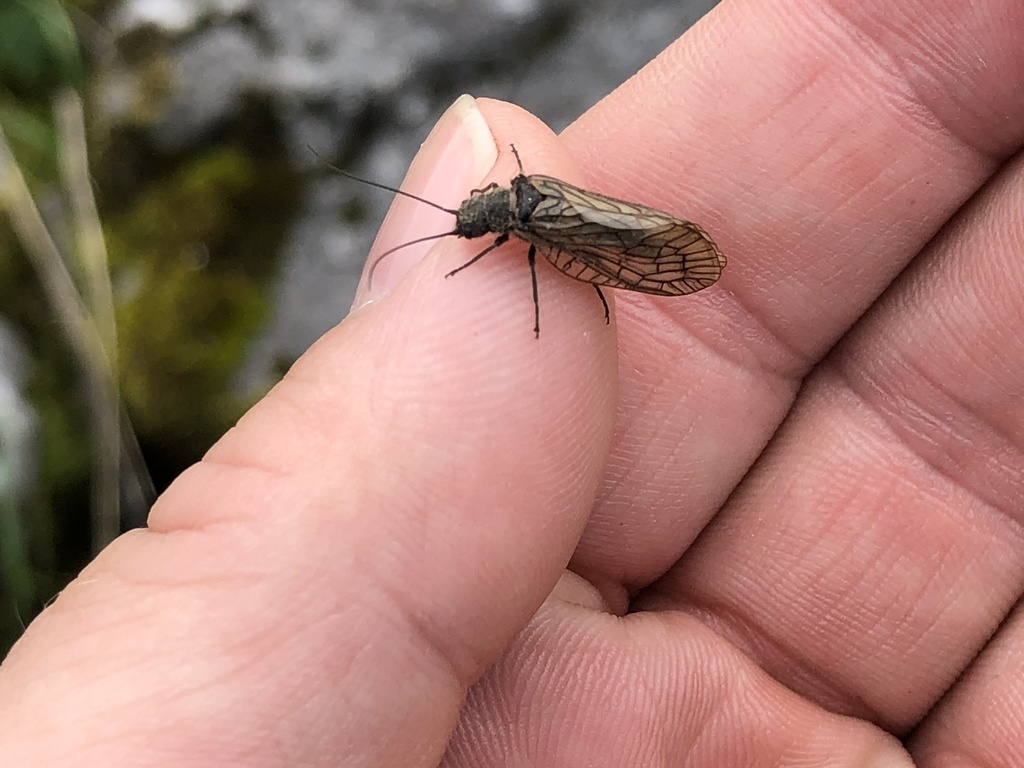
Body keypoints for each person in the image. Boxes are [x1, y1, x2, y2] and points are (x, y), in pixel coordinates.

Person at [3, 0, 1024, 763]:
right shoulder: (505, 216)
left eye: (476, 221)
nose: (474, 228)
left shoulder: (527, 219)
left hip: (598, 234)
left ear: (493, 210)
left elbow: (581, 251)